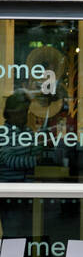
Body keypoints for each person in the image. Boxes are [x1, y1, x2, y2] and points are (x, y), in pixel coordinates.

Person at [0, 91, 35, 238]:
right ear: (11, 113)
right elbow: (9, 160)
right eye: (21, 112)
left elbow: (37, 148)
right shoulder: (3, 133)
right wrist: (35, 160)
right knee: (13, 234)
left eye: (26, 112)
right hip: (10, 192)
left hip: (27, 191)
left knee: (25, 233)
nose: (24, 116)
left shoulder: (27, 131)